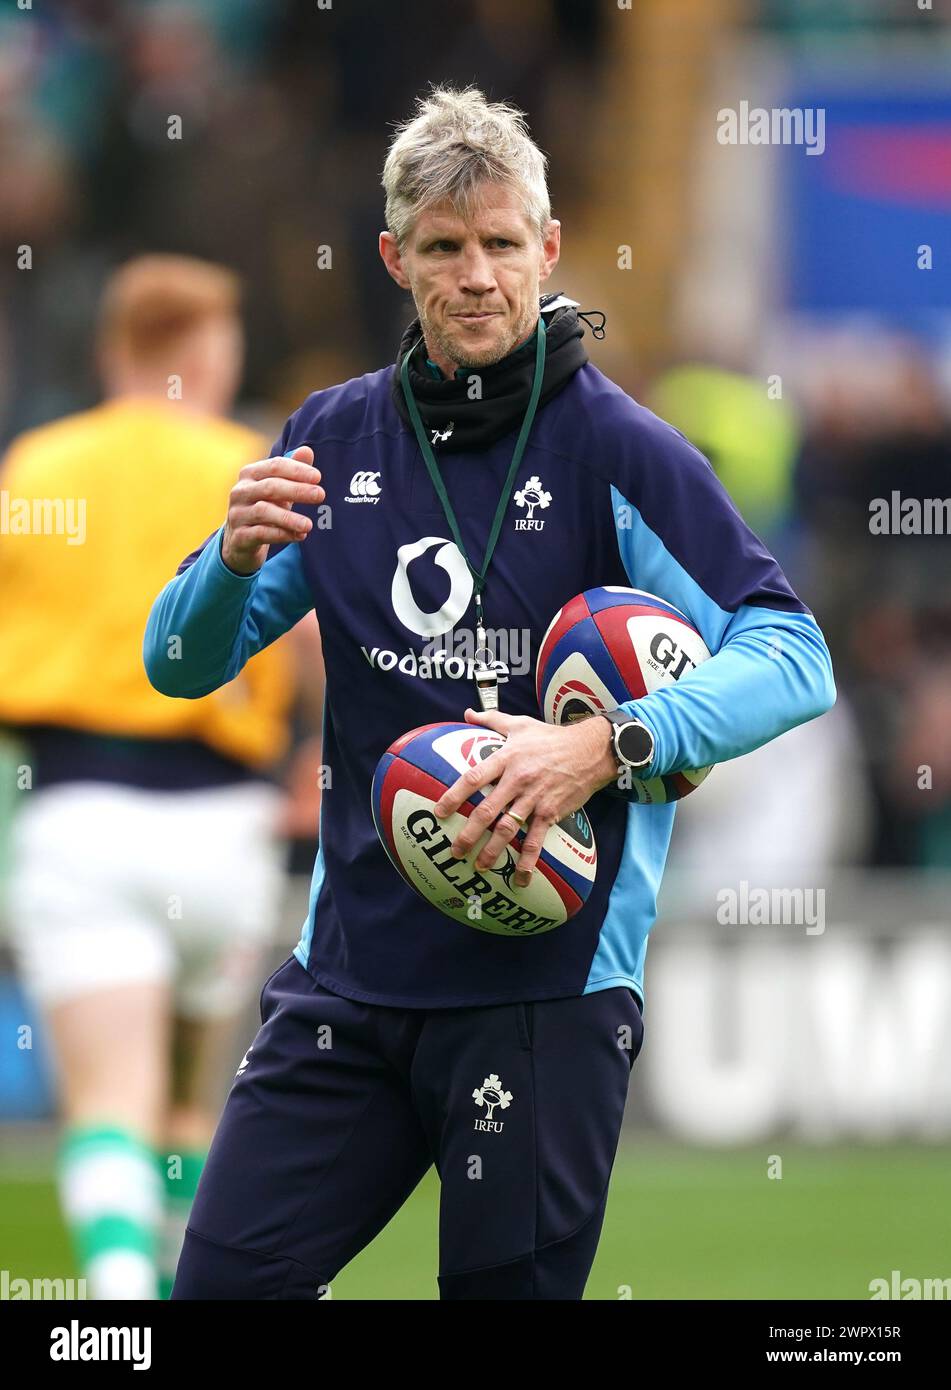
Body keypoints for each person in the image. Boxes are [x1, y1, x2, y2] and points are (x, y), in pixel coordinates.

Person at [145, 87, 836, 1301]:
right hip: (346, 986)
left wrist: (609, 745)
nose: (476, 277)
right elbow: (180, 662)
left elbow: (791, 653)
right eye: (445, 248)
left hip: (545, 999)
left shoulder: (625, 452)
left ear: (549, 249)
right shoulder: (333, 438)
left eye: (502, 244)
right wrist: (228, 563)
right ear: (394, 259)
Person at [0, 255, 306, 1299]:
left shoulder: (37, 466)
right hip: (225, 825)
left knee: (106, 1102)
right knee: (186, 1098)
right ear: (201, 353)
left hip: (76, 813)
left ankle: (120, 1305)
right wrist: (314, 762)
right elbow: (313, 640)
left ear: (112, 350)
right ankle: (176, 1286)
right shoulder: (248, 461)